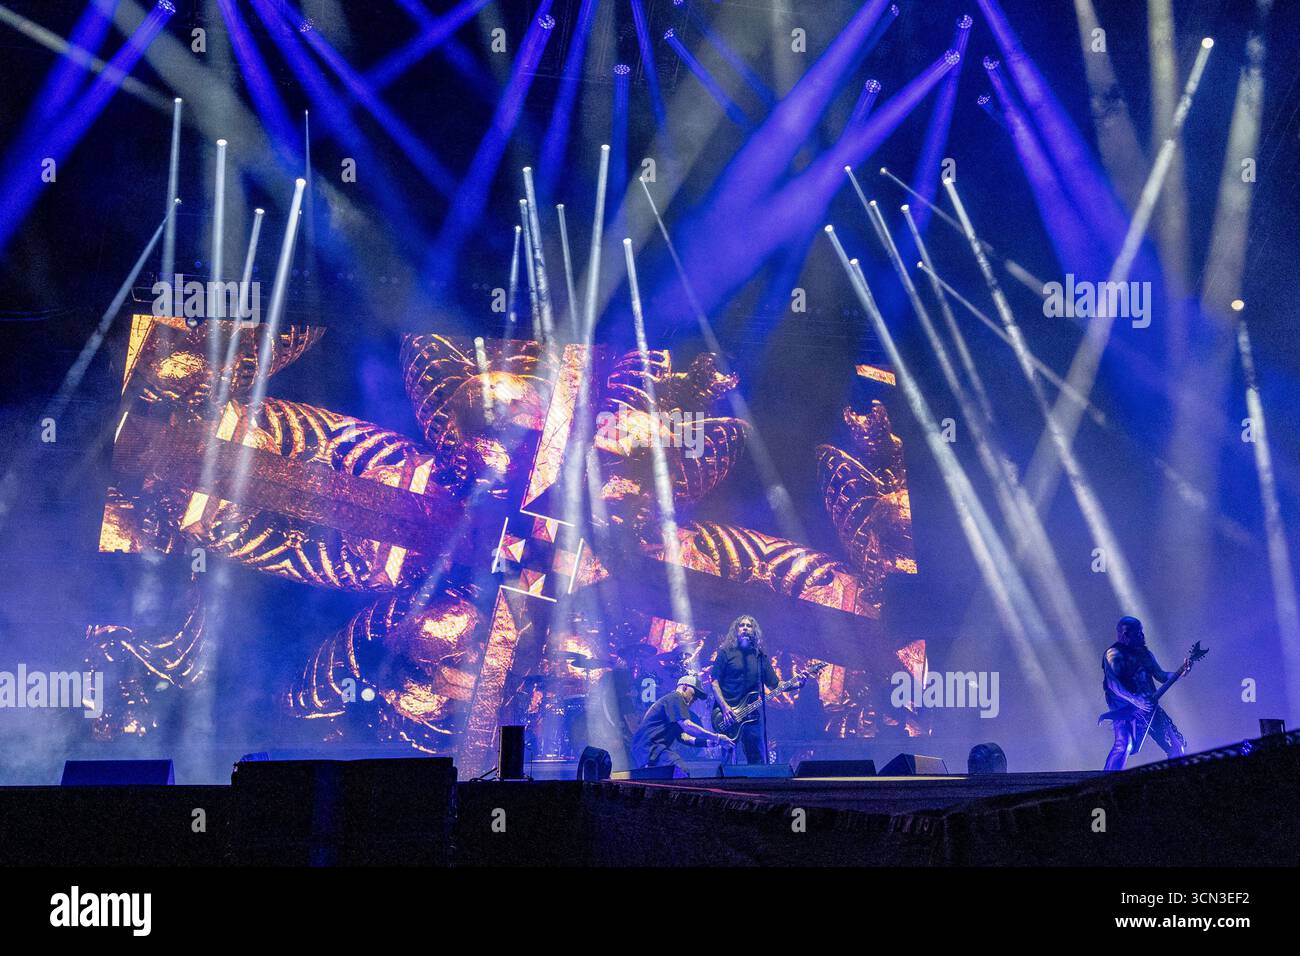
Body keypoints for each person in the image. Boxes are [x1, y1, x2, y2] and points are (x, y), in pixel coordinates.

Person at [1102, 616, 1188, 771]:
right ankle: (1105, 784)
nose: (1142, 636)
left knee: (1176, 745)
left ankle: (1176, 782)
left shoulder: (1145, 654)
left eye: (1142, 632)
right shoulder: (1113, 654)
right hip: (1128, 711)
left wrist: (1179, 672)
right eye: (1138, 633)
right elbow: (1113, 684)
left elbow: (1160, 675)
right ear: (1125, 634)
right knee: (1124, 745)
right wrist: (1135, 700)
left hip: (1151, 708)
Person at [710, 615, 778, 764]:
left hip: (751, 715)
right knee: (728, 758)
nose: (745, 628)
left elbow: (775, 685)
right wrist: (725, 707)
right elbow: (714, 682)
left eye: (749, 626)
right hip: (727, 714)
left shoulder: (760, 657)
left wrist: (798, 682)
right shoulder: (725, 653)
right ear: (736, 630)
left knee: (757, 758)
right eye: (742, 625)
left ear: (754, 631)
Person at [629, 674, 731, 772]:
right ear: (685, 687)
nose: (695, 699)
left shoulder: (673, 707)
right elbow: (687, 726)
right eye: (694, 694)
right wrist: (716, 737)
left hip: (646, 748)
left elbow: (684, 737)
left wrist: (709, 743)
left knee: (663, 778)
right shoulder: (676, 697)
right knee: (679, 768)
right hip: (650, 746)